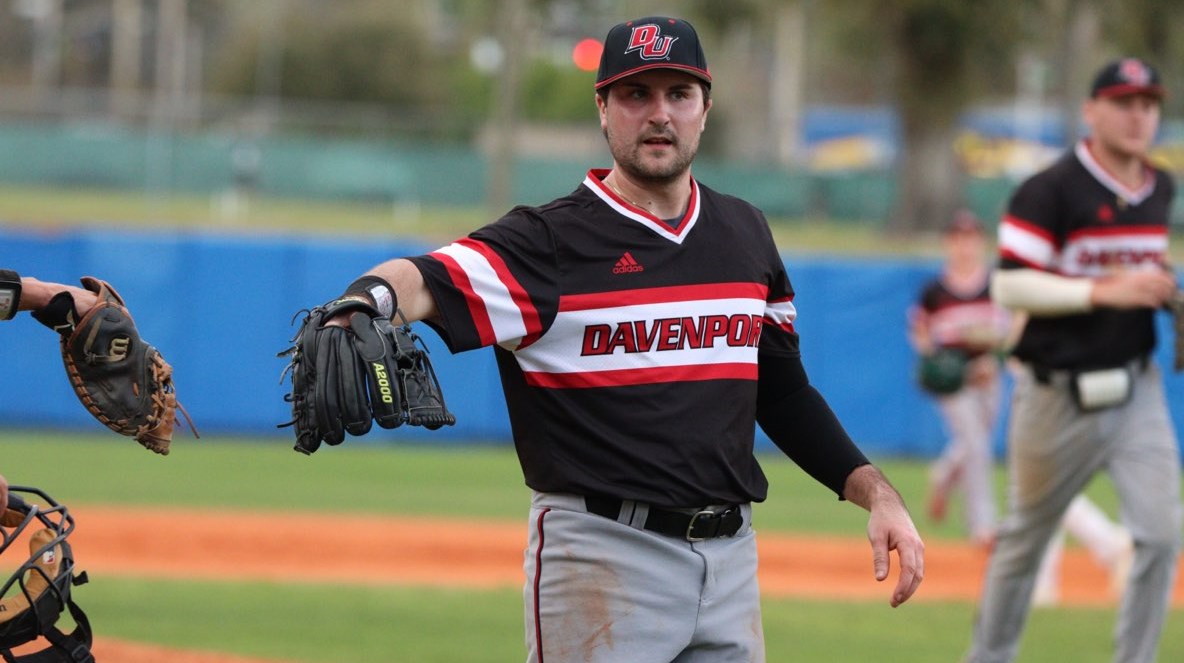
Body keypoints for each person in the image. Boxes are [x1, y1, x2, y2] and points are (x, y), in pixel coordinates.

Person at [308, 16, 924, 661]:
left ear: (704, 110)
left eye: (678, 94)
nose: (660, 114)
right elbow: (423, 279)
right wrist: (359, 302)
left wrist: (875, 493)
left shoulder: (745, 234)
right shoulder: (546, 242)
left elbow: (783, 393)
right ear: (603, 109)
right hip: (602, 556)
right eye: (637, 95)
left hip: (732, 562)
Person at [965, 57, 1181, 663]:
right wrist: (1103, 291)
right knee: (1025, 544)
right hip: (1056, 393)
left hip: (1138, 388)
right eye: (1124, 102)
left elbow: (1136, 268)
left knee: (1163, 536)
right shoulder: (1050, 188)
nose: (1139, 116)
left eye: (1149, 104)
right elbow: (1009, 287)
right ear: (1092, 112)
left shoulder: (1160, 185)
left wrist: (1155, 286)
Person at [909, 209, 1013, 548]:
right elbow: (920, 329)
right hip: (955, 382)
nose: (965, 246)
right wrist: (932, 359)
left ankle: (943, 473)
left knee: (973, 444)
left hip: (988, 376)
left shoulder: (996, 284)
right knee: (978, 448)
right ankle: (982, 526)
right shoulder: (936, 289)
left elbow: (1011, 330)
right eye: (958, 238)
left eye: (971, 238)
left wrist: (995, 359)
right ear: (948, 243)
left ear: (982, 243)